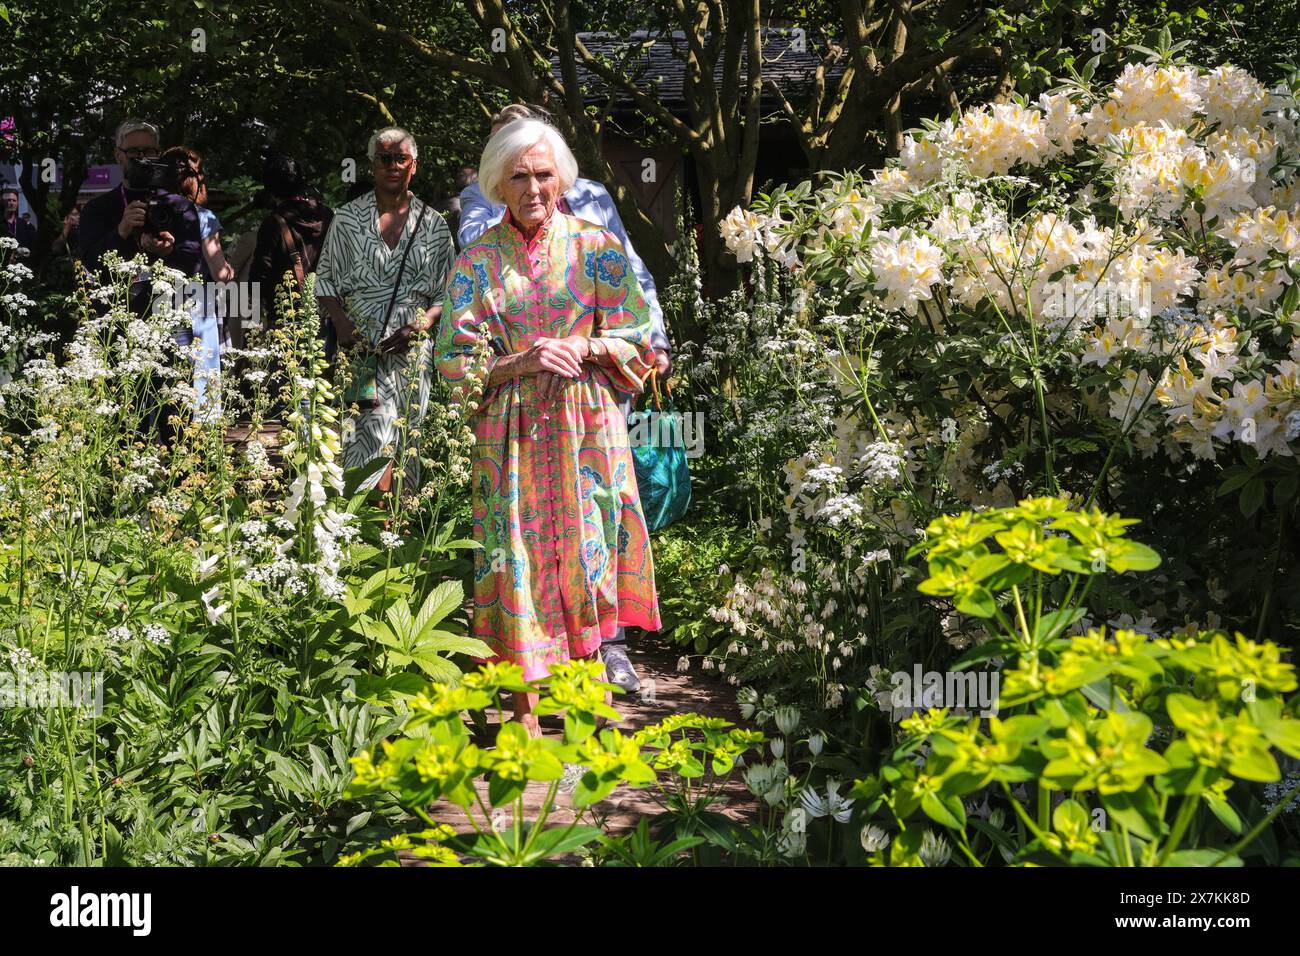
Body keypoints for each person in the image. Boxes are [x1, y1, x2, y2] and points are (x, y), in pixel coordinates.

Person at [435, 117, 662, 737]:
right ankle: (522, 719)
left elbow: (640, 334)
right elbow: (452, 359)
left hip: (587, 427)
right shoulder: (476, 263)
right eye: (519, 177)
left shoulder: (596, 247)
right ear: (497, 187)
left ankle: (586, 708)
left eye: (543, 175)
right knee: (515, 561)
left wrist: (585, 348)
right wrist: (521, 359)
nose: (534, 187)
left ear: (560, 178)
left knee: (585, 557)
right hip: (509, 433)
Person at [315, 127, 455, 496]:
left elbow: (448, 293)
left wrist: (420, 325)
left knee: (407, 440)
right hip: (360, 352)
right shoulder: (346, 219)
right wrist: (343, 325)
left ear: (414, 165)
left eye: (401, 158)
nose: (392, 166)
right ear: (372, 165)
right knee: (361, 441)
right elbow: (325, 281)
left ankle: (400, 535)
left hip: (411, 355)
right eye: (384, 159)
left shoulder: (434, 225)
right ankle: (360, 532)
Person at [163, 146, 234, 413]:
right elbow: (219, 273)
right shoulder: (202, 217)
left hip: (159, 300)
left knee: (169, 372)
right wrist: (230, 271)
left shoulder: (153, 215)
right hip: (197, 301)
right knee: (201, 372)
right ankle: (203, 432)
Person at [77, 119, 177, 297]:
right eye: (133, 151)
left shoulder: (178, 206)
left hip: (167, 309)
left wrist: (169, 251)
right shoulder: (97, 208)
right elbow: (90, 264)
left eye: (149, 151)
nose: (142, 158)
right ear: (118, 155)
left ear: (158, 153)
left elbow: (197, 266)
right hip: (116, 311)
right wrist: (121, 231)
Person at [250, 153, 334, 331]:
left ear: (271, 189)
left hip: (286, 320)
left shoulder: (274, 223)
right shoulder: (328, 216)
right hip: (329, 316)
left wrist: (252, 323)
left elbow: (258, 277)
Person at [1, 185, 38, 252]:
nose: (12, 203)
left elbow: (34, 246)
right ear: (3, 202)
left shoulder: (26, 225)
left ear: (17, 203)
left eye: (14, 200)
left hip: (22, 261)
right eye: (9, 200)